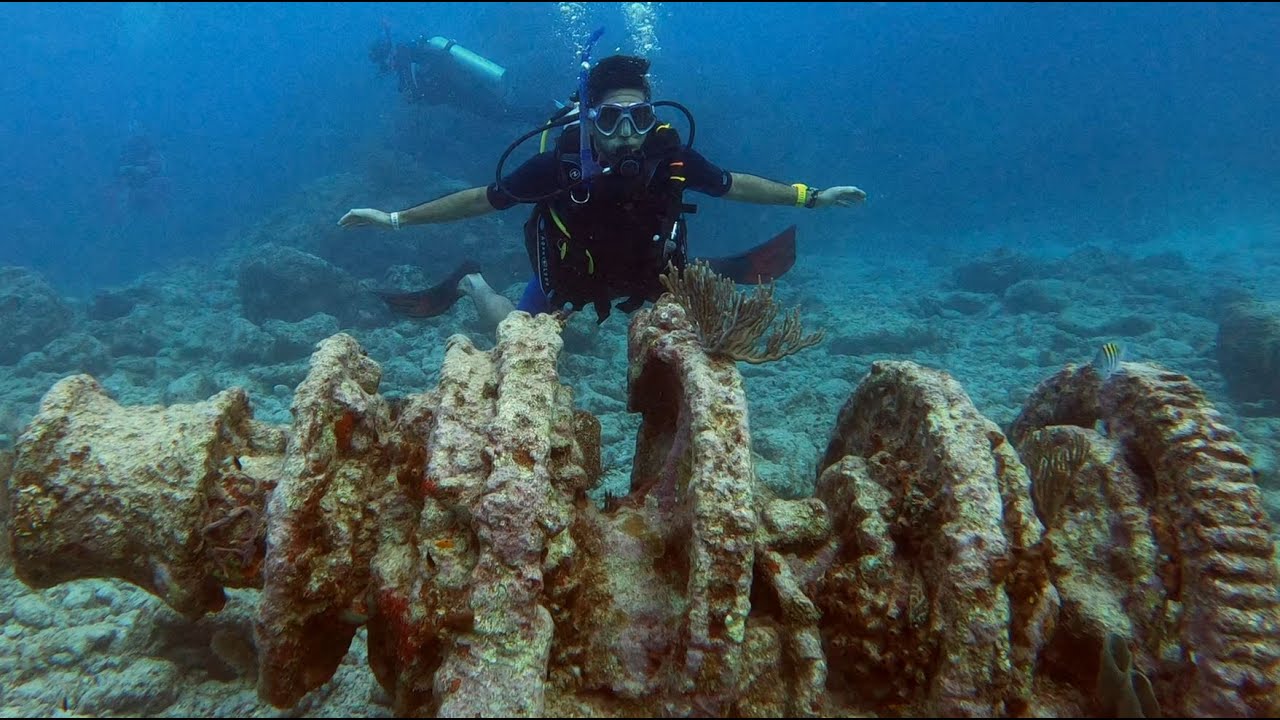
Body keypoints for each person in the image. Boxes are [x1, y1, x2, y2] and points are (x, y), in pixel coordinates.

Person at [339, 53, 867, 331]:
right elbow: (482, 198)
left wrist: (808, 196)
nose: (627, 135)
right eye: (610, 121)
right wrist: (394, 220)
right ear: (590, 121)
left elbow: (734, 184)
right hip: (569, 278)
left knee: (690, 336)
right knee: (513, 337)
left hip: (651, 275)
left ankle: (698, 270)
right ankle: (472, 283)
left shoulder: (671, 157)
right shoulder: (558, 165)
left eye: (638, 118)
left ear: (652, 115)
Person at [368, 26, 548, 125]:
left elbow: (421, 93)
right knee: (507, 109)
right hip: (466, 91)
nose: (387, 67)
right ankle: (552, 112)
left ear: (388, 54)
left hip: (469, 90)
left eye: (384, 62)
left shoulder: (406, 57)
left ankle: (553, 114)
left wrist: (415, 95)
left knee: (505, 111)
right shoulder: (413, 55)